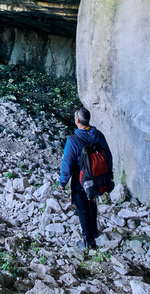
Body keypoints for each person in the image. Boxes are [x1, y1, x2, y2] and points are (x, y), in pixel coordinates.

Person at [58, 106, 113, 250]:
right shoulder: (98, 135)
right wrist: (108, 175)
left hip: (81, 180)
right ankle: (94, 232)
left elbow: (67, 163)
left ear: (77, 120)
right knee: (92, 203)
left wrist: (63, 182)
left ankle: (88, 242)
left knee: (82, 208)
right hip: (98, 178)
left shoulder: (73, 140)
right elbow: (108, 155)